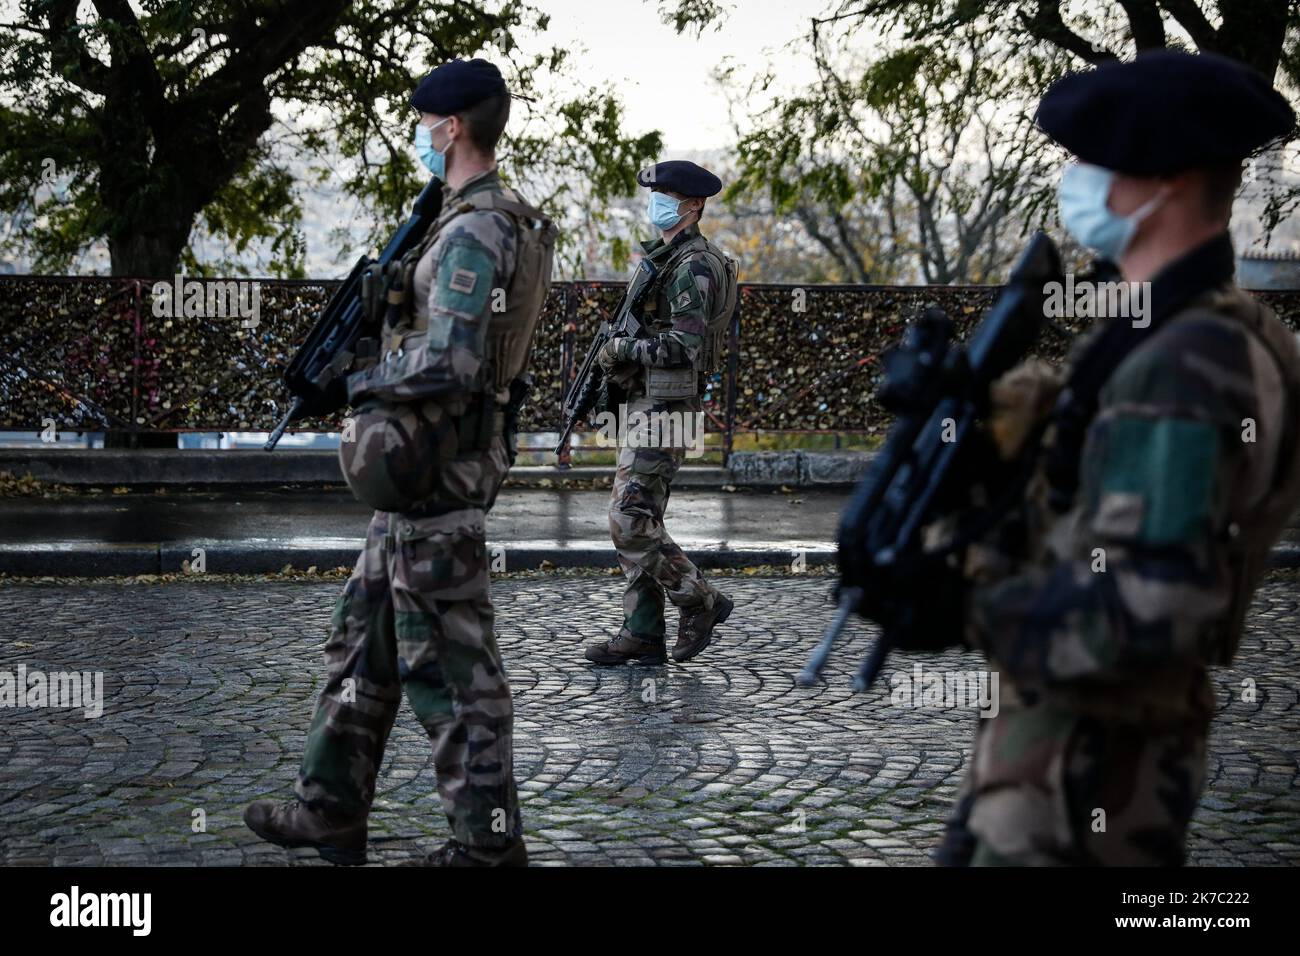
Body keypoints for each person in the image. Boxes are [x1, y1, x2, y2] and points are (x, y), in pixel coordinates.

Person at [935, 49, 1300, 866]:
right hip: (1069, 760)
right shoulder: (1198, 330)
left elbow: (1147, 609)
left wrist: (970, 596)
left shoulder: (1186, 361)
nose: (1079, 183)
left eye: (1095, 163)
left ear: (1164, 180)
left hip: (1089, 779)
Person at [244, 58, 555, 867]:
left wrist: (351, 380)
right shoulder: (466, 218)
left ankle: (488, 849)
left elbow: (452, 362)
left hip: (439, 476)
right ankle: (328, 810)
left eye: (425, 124)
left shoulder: (477, 230)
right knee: (358, 648)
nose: (420, 135)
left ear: (452, 127)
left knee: (454, 672)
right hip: (416, 483)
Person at [583, 160, 740, 666]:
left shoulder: (692, 265)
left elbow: (684, 347)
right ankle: (643, 632)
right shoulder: (668, 257)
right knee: (636, 516)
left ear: (693, 205)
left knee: (630, 519)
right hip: (651, 404)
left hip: (668, 407)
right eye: (656, 194)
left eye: (668, 195)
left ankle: (701, 599)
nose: (658, 202)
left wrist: (623, 350)